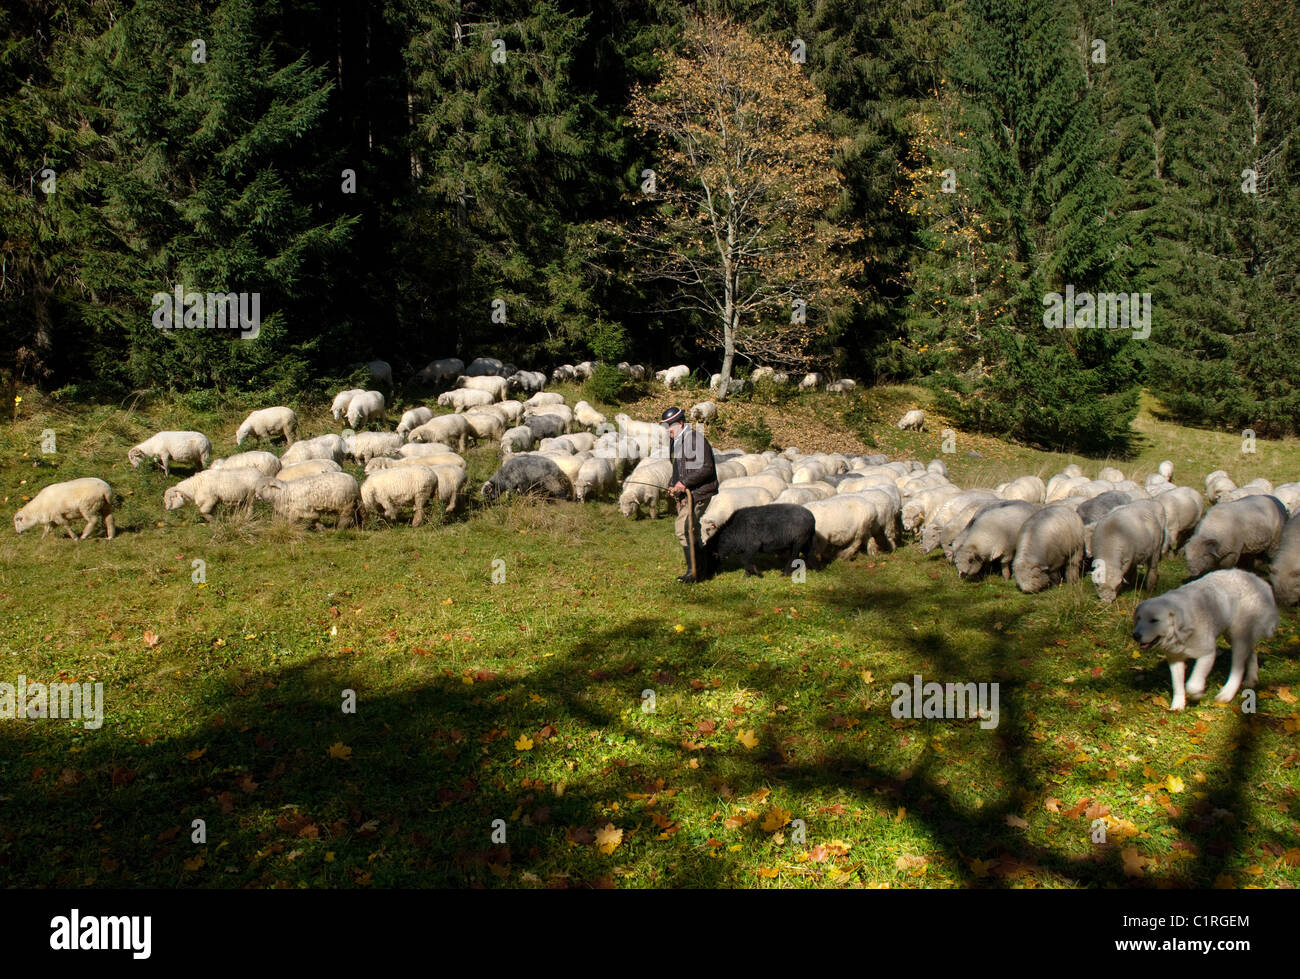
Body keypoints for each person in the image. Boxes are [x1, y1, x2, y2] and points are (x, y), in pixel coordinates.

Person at [661, 406, 718, 583]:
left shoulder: (695, 440)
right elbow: (678, 468)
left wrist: (684, 483)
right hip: (687, 492)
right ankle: (705, 566)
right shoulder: (676, 440)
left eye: (669, 426)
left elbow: (707, 468)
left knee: (684, 528)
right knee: (691, 529)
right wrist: (673, 484)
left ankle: (693, 573)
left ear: (680, 423)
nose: (667, 430)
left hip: (699, 492)